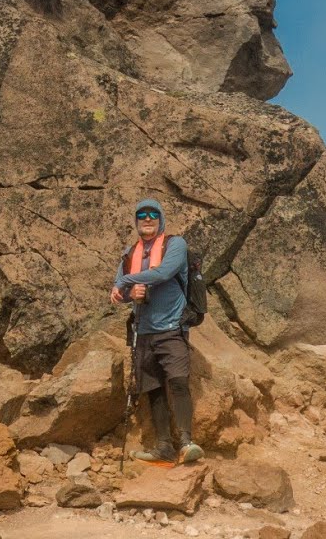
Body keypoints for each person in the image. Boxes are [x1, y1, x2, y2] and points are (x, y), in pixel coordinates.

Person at [109, 198, 204, 465]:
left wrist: (127, 282)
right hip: (143, 330)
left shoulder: (175, 244)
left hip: (172, 327)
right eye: (141, 215)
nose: (147, 218)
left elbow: (163, 273)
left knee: (177, 380)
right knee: (152, 387)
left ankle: (186, 442)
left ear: (160, 219)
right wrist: (130, 292)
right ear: (136, 220)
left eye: (152, 214)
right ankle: (163, 447)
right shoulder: (130, 254)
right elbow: (119, 292)